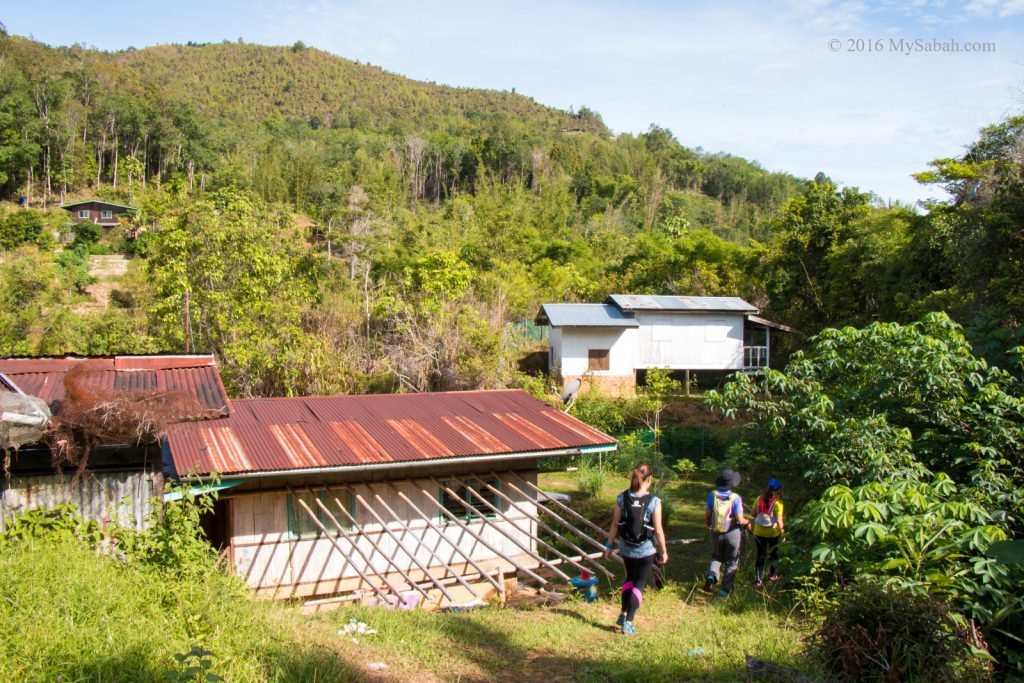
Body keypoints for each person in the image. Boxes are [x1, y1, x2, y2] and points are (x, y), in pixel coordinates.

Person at [604, 463, 668, 635]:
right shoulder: (654, 501)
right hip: (646, 550)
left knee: (629, 580)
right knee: (638, 585)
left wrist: (609, 546)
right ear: (650, 480)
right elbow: (659, 530)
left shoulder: (622, 498)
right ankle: (629, 622)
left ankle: (622, 614)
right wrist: (663, 551)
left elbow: (615, 525)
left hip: (626, 549)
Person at [702, 469, 751, 597]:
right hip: (732, 533)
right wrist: (748, 522)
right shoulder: (736, 498)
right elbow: (740, 519)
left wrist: (708, 523)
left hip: (716, 532)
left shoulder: (712, 495)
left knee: (716, 556)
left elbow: (707, 514)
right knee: (732, 561)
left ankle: (711, 577)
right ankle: (725, 590)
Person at [752, 478, 784, 587]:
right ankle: (772, 574)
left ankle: (757, 579)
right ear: (778, 490)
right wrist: (783, 533)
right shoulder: (778, 503)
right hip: (772, 533)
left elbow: (753, 513)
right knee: (773, 554)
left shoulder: (758, 498)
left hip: (758, 531)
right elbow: (779, 521)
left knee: (760, 555)